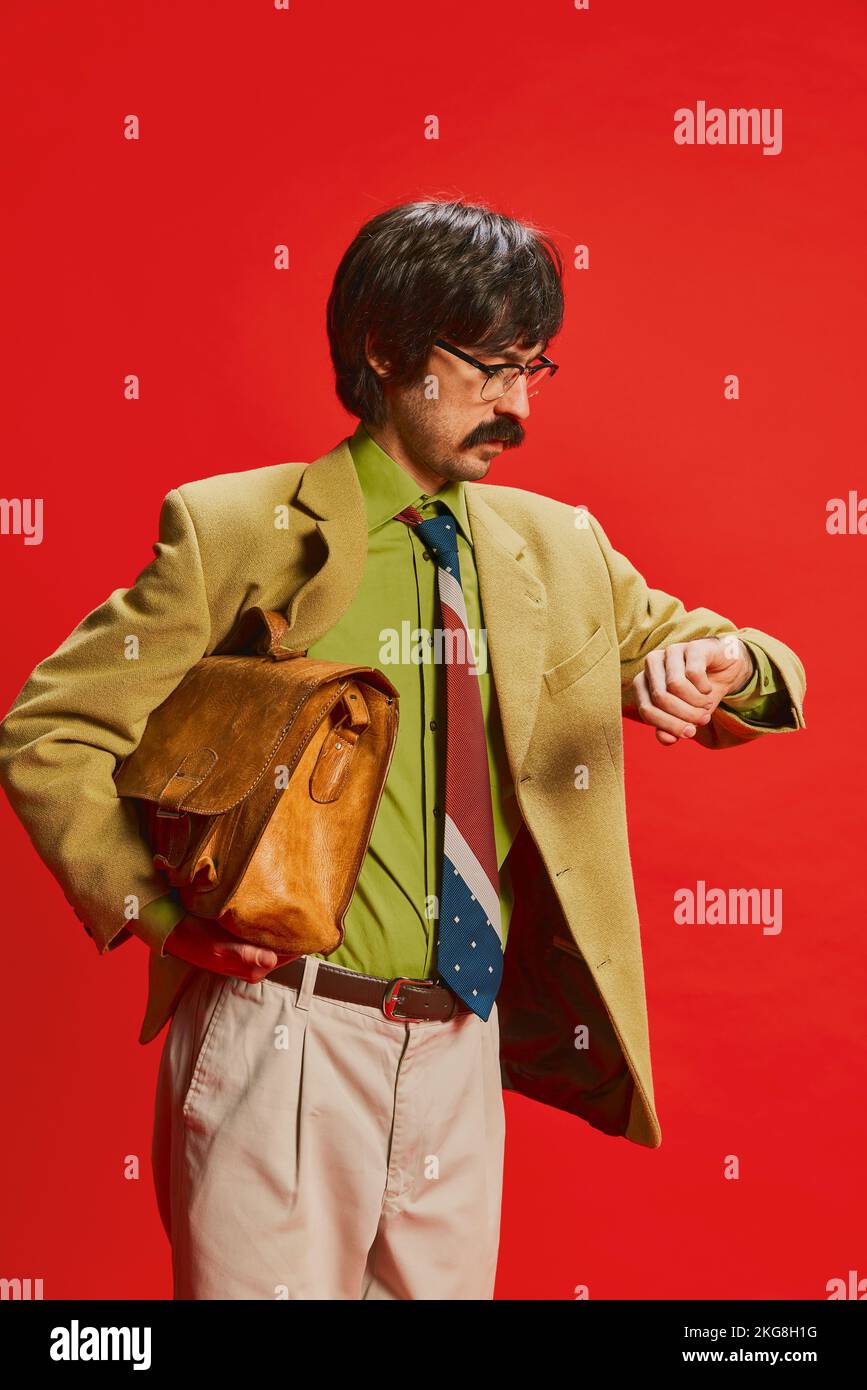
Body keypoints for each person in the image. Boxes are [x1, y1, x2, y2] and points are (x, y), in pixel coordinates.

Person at [0, 198, 807, 1300]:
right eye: (488, 370)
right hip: (282, 1036)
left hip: (458, 1054)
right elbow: (53, 726)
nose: (517, 407)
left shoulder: (555, 545)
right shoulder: (237, 530)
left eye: (536, 368)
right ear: (385, 350)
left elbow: (744, 660)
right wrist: (152, 912)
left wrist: (725, 665)